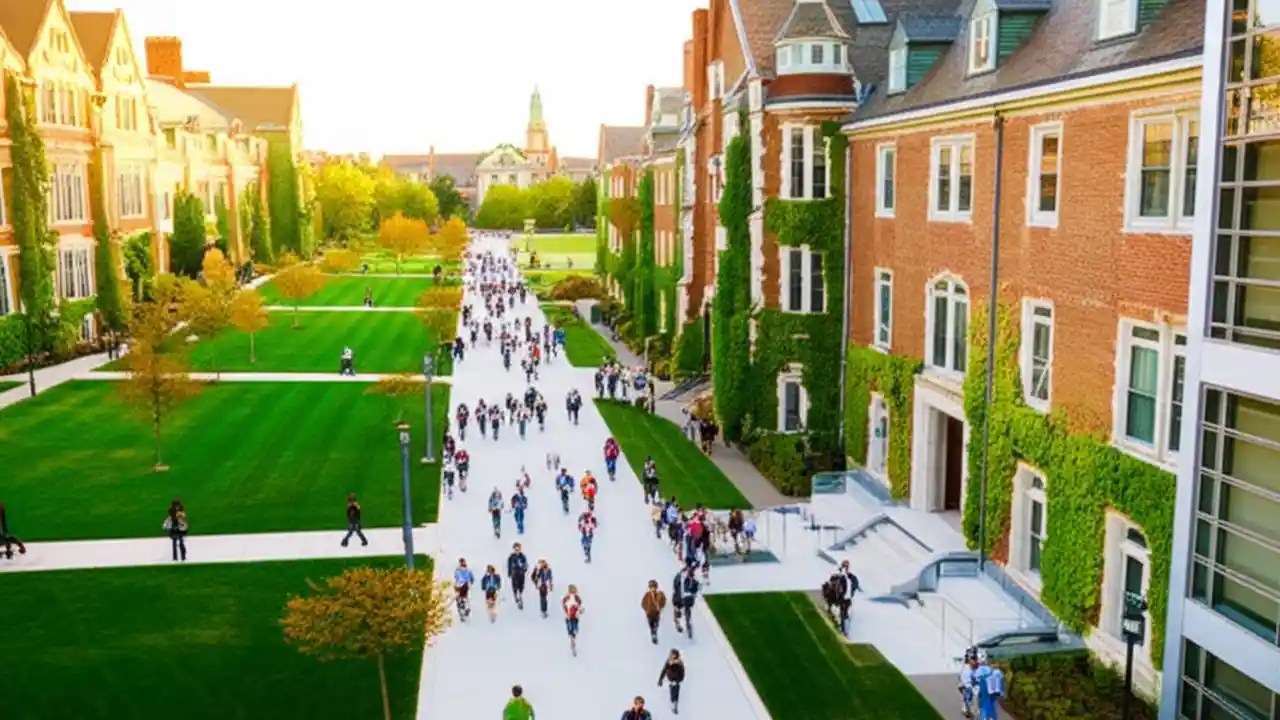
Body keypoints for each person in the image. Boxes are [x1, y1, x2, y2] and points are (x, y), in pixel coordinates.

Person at [671, 566, 699, 638]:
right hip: (679, 597)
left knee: (687, 612)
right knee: (677, 609)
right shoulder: (679, 577)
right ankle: (677, 622)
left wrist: (693, 595)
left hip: (687, 599)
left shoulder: (693, 581)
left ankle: (688, 627)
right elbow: (675, 586)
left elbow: (695, 589)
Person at [657, 649, 686, 715]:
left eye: (674, 655)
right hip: (671, 679)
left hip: (676, 680)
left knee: (675, 690)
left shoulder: (679, 662)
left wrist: (679, 679)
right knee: (673, 690)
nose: (672, 656)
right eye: (672, 654)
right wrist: (660, 680)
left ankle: (675, 704)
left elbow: (682, 672)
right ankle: (673, 703)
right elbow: (663, 671)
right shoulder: (668, 661)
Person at [640, 580, 667, 645]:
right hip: (649, 613)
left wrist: (660, 607)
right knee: (651, 625)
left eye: (654, 586)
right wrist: (647, 610)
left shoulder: (660, 594)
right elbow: (643, 603)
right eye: (651, 586)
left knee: (656, 624)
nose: (652, 588)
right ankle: (653, 635)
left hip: (656, 612)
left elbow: (663, 601)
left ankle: (654, 635)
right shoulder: (647, 595)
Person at [162, 498, 188, 562]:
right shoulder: (172, 512)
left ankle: (183, 556)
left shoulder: (181, 513)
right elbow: (169, 519)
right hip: (174, 529)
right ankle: (175, 557)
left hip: (180, 529)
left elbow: (183, 521)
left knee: (181, 542)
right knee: (174, 542)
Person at [562, 584, 584, 655]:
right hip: (569, 615)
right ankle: (572, 639)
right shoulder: (567, 598)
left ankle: (573, 638)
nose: (573, 593)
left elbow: (580, 605)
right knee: (571, 627)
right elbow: (564, 605)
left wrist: (580, 610)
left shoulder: (576, 598)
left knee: (574, 627)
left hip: (574, 615)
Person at [507, 543, 529, 610]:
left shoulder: (522, 556)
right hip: (514, 574)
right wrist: (509, 572)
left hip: (521, 574)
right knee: (514, 587)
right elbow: (509, 565)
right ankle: (516, 596)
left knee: (521, 586)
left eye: (518, 549)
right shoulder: (511, 557)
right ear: (514, 549)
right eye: (516, 549)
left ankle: (520, 597)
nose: (517, 550)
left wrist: (524, 569)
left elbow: (526, 564)